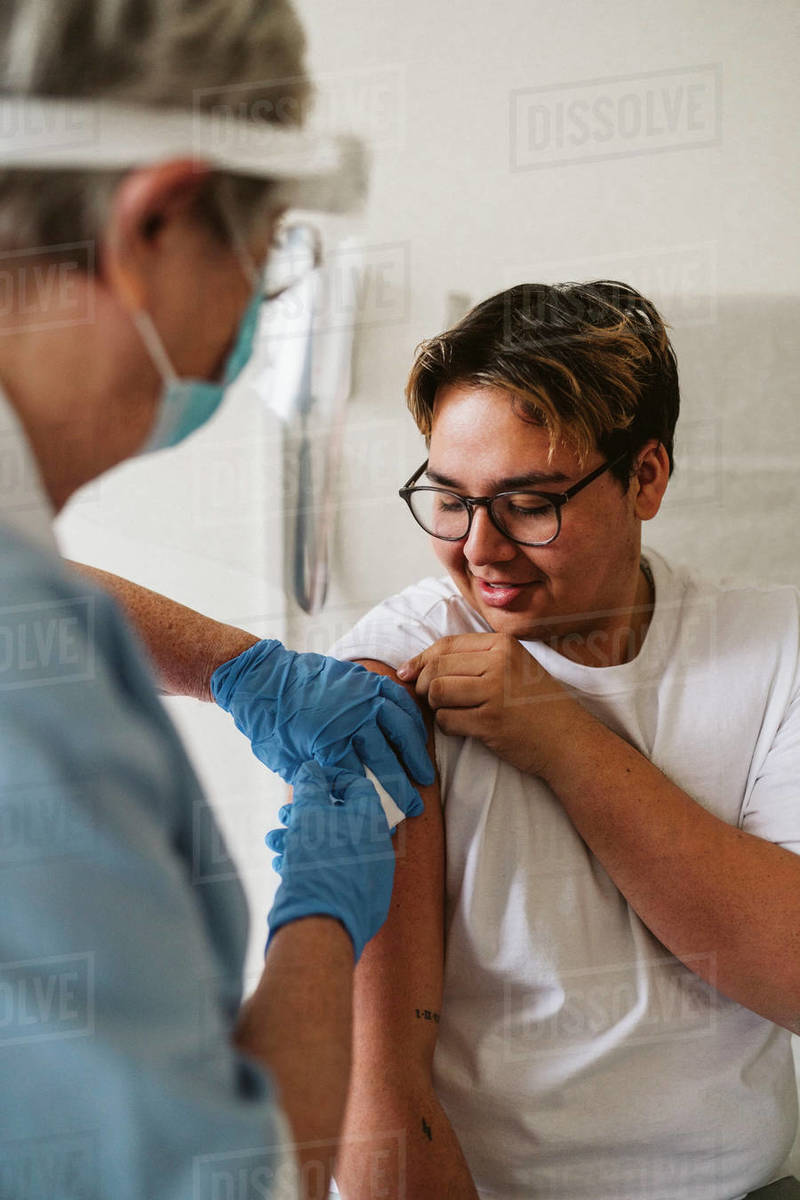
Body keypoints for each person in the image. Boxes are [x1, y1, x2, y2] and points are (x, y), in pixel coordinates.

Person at [0, 3, 432, 1198]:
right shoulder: (38, 708)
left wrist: (242, 665)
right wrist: (320, 915)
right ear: (155, 221)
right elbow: (224, 1179)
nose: (249, 314)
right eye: (263, 257)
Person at [323, 282, 800, 1199]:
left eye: (530, 504)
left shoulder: (776, 648)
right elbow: (372, 1084)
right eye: (448, 499)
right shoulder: (384, 675)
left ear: (647, 477)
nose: (480, 549)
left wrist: (557, 735)